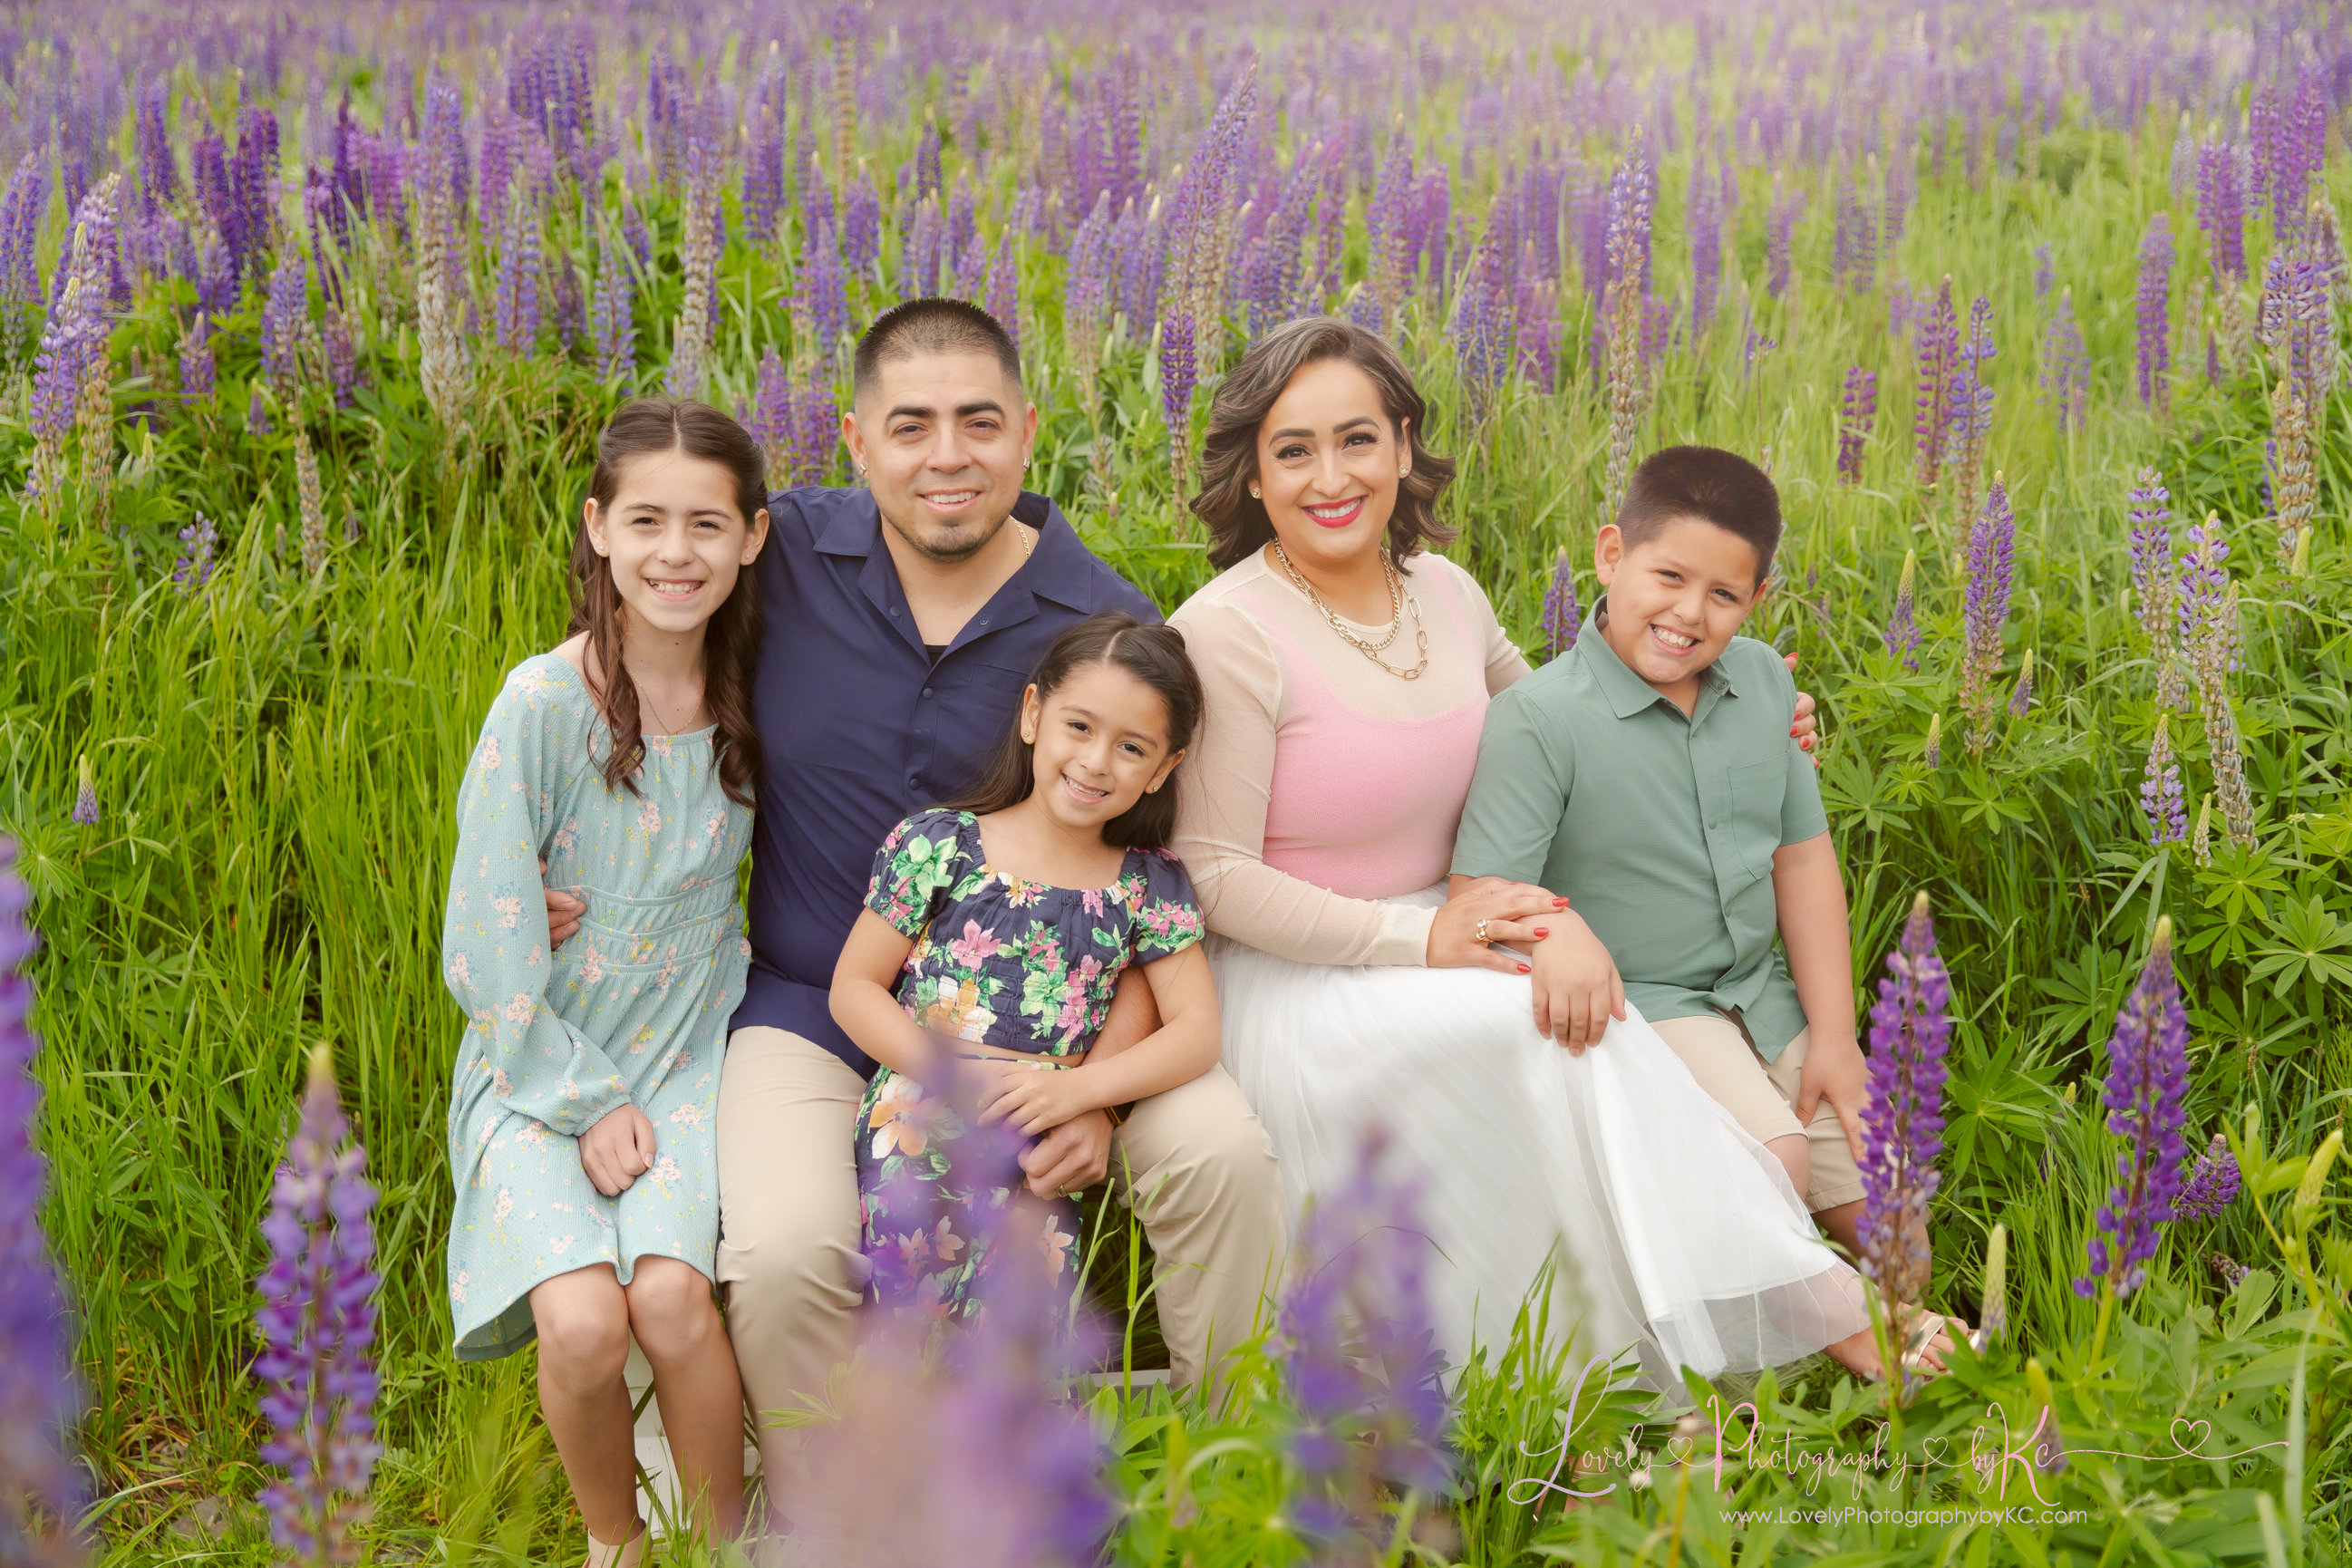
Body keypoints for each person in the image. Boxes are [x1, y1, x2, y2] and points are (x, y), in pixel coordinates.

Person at [545, 299, 1283, 1528]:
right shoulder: (782, 555)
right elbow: (631, 653)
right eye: (911, 424)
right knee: (785, 1252)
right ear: (855, 438)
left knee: (1223, 1157)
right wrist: (557, 854)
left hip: (1056, 1032)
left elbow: (1143, 886)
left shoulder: (1098, 617)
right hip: (812, 1001)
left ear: (1029, 431)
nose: (948, 455)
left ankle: (1230, 1490)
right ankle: (831, 1523)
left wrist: (1094, 1094)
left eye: (979, 422)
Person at [1167, 316, 1906, 1394]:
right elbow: (1214, 877)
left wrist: (1737, 711)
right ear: (1253, 473)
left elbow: (1569, 721)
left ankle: (1711, 1326)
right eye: (1294, 450)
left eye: (1358, 439)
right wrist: (1437, 934)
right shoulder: (1229, 628)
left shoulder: (1444, 590)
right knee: (1548, 1024)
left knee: (1579, 1012)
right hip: (1308, 970)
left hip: (1466, 917)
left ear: (1403, 444)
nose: (1331, 477)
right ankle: (1829, 1317)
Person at [443, 399, 770, 1564]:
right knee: (583, 1321)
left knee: (675, 1297)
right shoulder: (544, 702)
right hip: (543, 1055)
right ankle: (616, 1541)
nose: (676, 552)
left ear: (753, 536)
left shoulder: (752, 691)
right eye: (646, 521)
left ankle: (724, 1545)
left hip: (685, 1044)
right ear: (597, 527)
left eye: (707, 523)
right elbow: (484, 939)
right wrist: (582, 1098)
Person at [832, 613, 1218, 1321]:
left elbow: (1196, 1031)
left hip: (1046, 1141)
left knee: (1016, 1335)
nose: (1096, 761)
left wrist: (1085, 1094)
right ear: (1033, 714)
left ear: (1163, 769)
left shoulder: (1146, 885)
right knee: (908, 1319)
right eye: (1079, 727)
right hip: (922, 1120)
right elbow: (855, 988)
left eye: (1131, 747)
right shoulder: (941, 844)